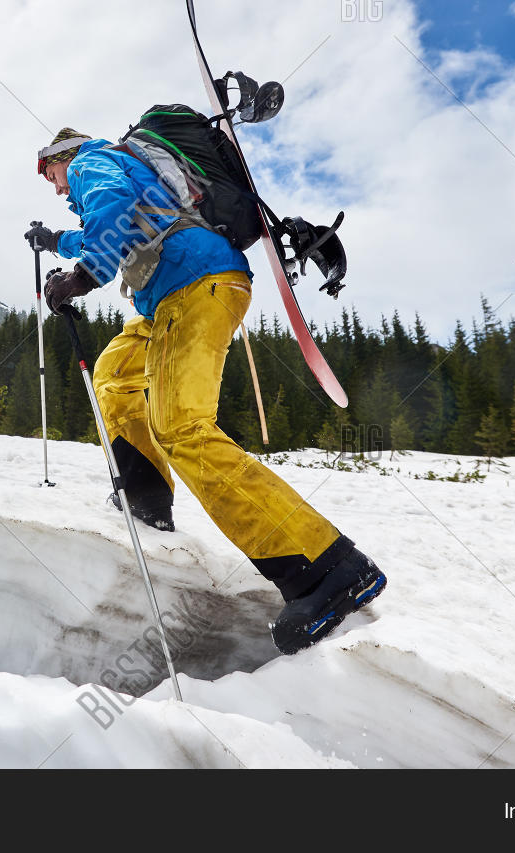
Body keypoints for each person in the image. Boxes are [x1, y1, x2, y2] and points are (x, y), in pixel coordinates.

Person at [27, 126, 385, 654]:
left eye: (50, 173)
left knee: (182, 427)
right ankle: (146, 497)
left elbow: (112, 207)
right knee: (115, 374)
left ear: (64, 155)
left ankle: (327, 568)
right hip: (173, 295)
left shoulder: (89, 162)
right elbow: (110, 225)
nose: (57, 186)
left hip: (195, 283)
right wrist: (55, 242)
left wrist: (80, 277)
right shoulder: (117, 168)